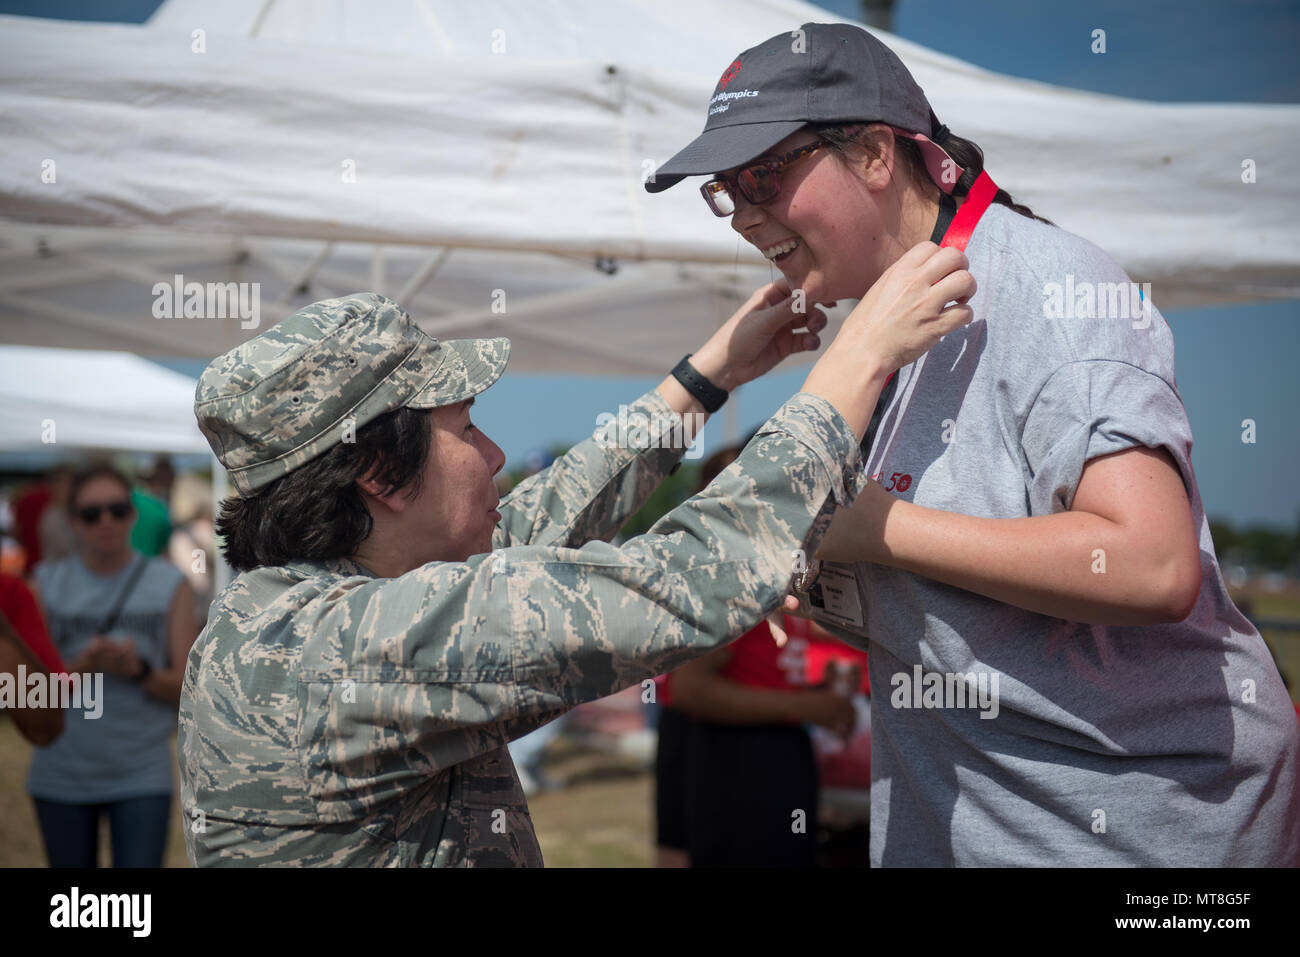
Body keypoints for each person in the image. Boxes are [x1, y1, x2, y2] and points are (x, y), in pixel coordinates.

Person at [646, 21, 1299, 866]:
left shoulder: (1048, 287)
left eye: (764, 173)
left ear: (878, 154)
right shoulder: (892, 325)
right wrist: (836, 584)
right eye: (725, 191)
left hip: (1134, 836)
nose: (745, 214)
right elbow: (979, 607)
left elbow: (1150, 564)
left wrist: (867, 527)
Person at [179, 261, 972, 866]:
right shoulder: (343, 652)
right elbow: (691, 577)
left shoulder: (295, 613)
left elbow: (533, 525)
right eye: (467, 428)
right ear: (381, 474)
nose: (494, 455)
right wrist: (855, 363)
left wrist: (705, 379)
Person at [654, 446, 854, 868]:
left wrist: (819, 692)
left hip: (774, 749)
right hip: (737, 758)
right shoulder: (728, 571)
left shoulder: (777, 563)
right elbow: (693, 690)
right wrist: (806, 705)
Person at [28, 464, 199, 868]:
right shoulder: (45, 584)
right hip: (61, 772)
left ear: (133, 514)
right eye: (91, 513)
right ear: (72, 522)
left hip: (140, 772)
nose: (106, 521)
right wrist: (80, 667)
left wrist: (139, 670)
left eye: (117, 510)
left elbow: (192, 691)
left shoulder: (169, 584)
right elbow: (26, 693)